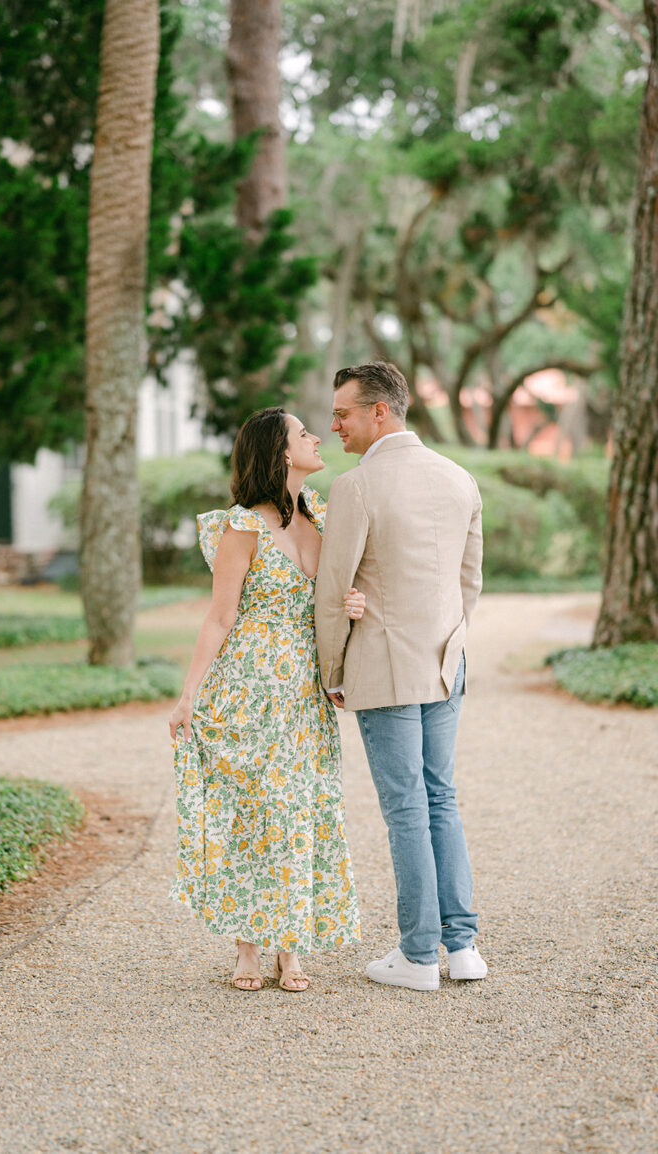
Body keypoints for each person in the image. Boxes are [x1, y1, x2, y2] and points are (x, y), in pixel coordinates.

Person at [168, 407, 363, 992]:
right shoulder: (240, 527)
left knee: (300, 811)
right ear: (281, 452)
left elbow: (335, 598)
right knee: (255, 814)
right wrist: (187, 697)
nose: (317, 437)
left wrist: (351, 606)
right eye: (304, 433)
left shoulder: (324, 519)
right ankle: (248, 947)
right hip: (248, 693)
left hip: (305, 696)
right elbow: (219, 616)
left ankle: (292, 944)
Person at [314, 361, 487, 992]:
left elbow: (335, 591)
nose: (334, 424)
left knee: (408, 809)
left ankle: (418, 956)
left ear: (379, 411)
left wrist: (331, 669)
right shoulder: (457, 477)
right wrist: (452, 646)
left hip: (383, 666)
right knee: (441, 798)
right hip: (447, 663)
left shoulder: (356, 487)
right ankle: (463, 948)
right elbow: (470, 580)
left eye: (343, 413)